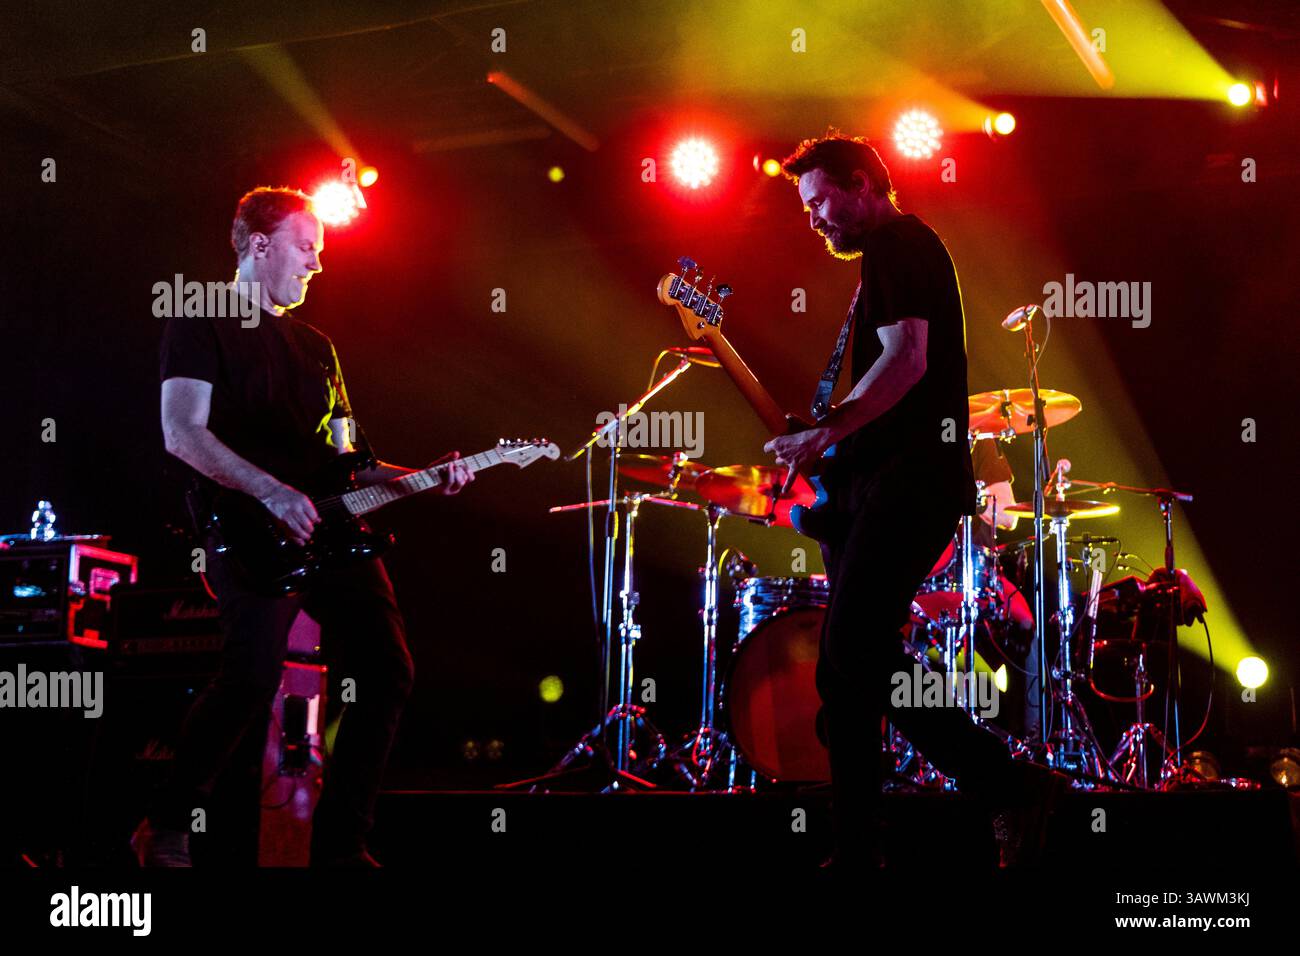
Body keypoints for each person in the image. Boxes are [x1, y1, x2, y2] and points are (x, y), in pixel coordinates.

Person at [133, 187, 472, 867]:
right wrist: (269, 489)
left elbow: (353, 465)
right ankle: (164, 823)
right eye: (305, 246)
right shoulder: (202, 315)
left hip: (330, 529)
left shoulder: (319, 348)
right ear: (259, 245)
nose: (317, 263)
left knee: (388, 668)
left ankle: (341, 845)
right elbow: (181, 433)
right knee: (252, 675)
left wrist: (427, 476)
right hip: (248, 528)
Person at [763, 133, 1065, 868]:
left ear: (863, 183)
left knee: (854, 651)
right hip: (879, 485)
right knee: (846, 672)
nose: (814, 219)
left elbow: (908, 362)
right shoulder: (889, 258)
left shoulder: (899, 244)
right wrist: (827, 452)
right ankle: (859, 844)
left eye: (820, 201)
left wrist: (824, 434)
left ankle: (1009, 784)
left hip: (912, 483)